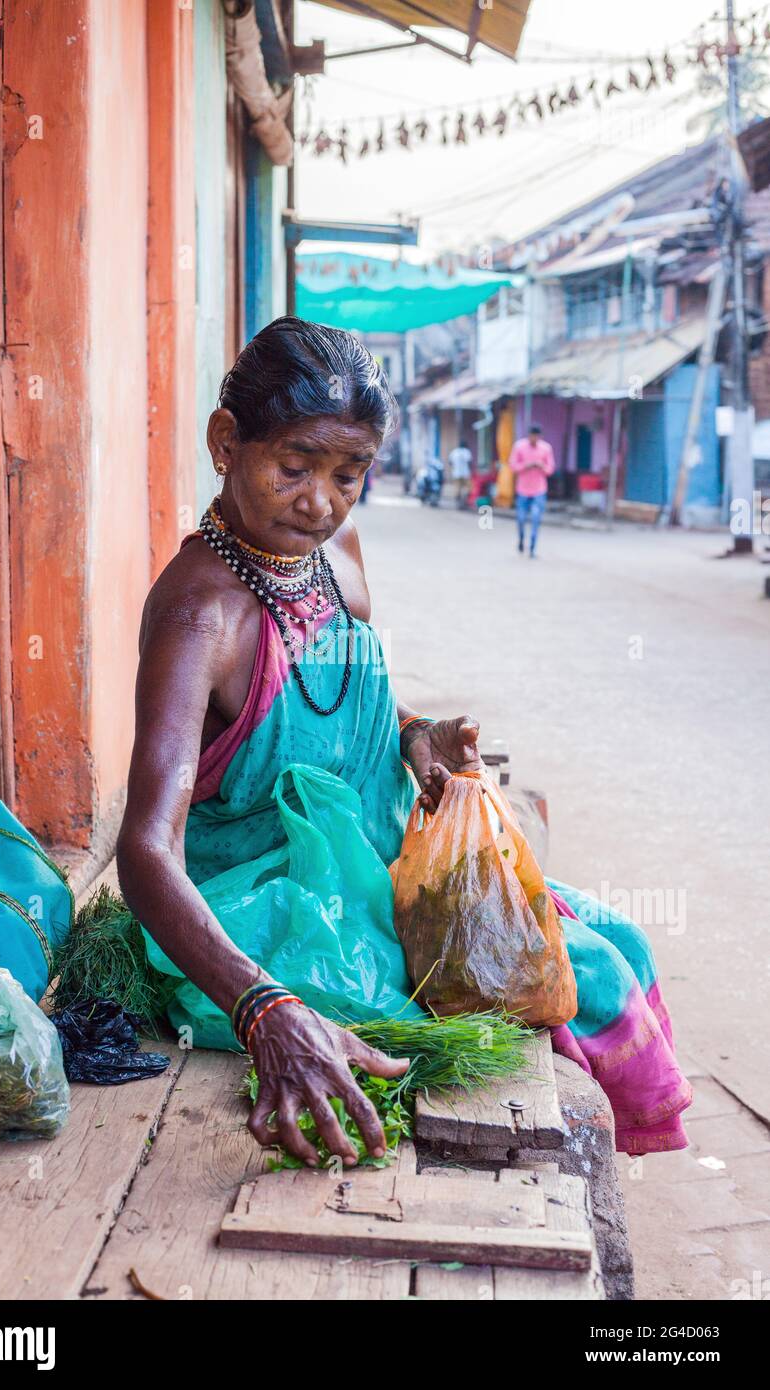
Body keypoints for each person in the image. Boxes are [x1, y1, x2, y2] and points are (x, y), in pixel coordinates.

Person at [117, 316, 691, 1165]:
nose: (320, 502)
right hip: (265, 906)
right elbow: (143, 851)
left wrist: (417, 735)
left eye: (349, 474)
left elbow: (334, 697)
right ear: (225, 443)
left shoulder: (334, 547)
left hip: (375, 861)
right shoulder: (199, 613)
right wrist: (263, 1008)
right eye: (294, 467)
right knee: (583, 984)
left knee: (618, 944)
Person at [510, 423, 555, 557]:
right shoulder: (519, 446)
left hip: (539, 490)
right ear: (528, 435)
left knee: (536, 518)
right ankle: (521, 539)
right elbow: (513, 466)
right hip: (523, 489)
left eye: (536, 436)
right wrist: (526, 466)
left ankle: (533, 548)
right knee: (521, 518)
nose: (534, 439)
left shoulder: (546, 448)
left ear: (540, 437)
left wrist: (541, 466)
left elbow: (550, 469)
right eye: (532, 436)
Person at [448, 438, 473, 509]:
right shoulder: (466, 452)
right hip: (465, 473)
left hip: (456, 473)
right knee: (467, 488)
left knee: (457, 488)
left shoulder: (454, 452)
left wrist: (455, 467)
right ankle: (464, 501)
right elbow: (469, 462)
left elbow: (450, 462)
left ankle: (458, 502)